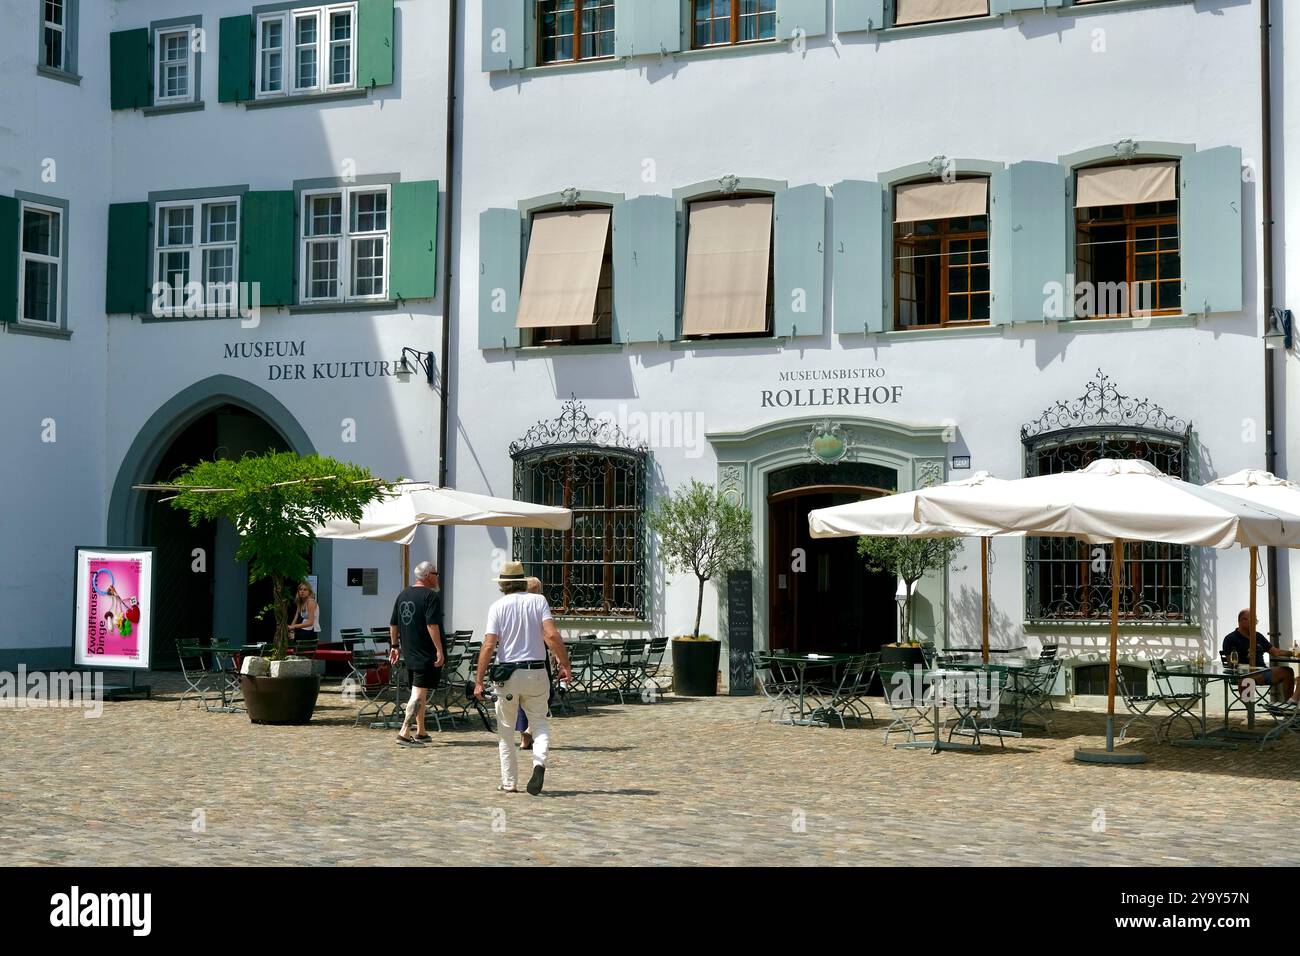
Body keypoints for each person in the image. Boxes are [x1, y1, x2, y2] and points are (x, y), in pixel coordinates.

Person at [475, 562, 572, 795]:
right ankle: (539, 763)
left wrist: (479, 680)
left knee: (506, 730)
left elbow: (489, 645)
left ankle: (509, 781)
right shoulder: (538, 601)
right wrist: (564, 664)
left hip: (507, 674)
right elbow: (550, 635)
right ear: (522, 581)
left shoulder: (497, 607)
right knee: (539, 722)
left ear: (503, 585)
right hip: (537, 671)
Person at [389, 561, 445, 746]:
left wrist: (395, 646)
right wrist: (439, 649)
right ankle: (404, 732)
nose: (438, 577)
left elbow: (394, 623)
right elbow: (432, 625)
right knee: (418, 695)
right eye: (436, 573)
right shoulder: (431, 596)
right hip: (425, 652)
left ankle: (421, 731)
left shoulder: (403, 594)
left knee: (419, 691)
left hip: (409, 652)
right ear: (428, 575)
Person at [1220, 609, 1295, 701]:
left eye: (1256, 621)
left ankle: (1289, 706)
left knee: (1287, 672)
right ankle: (1249, 710)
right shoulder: (1231, 639)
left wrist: (1293, 653)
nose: (1255, 623)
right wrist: (1253, 673)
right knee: (1246, 679)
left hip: (1263, 672)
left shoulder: (1258, 636)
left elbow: (1276, 652)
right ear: (1243, 620)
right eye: (1253, 620)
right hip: (1243, 675)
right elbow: (1232, 665)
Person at [516, 577, 548, 750]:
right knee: (544, 697)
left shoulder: (513, 605)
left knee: (522, 700)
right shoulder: (539, 604)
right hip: (537, 657)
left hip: (517, 658)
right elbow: (548, 633)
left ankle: (524, 738)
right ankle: (530, 729)